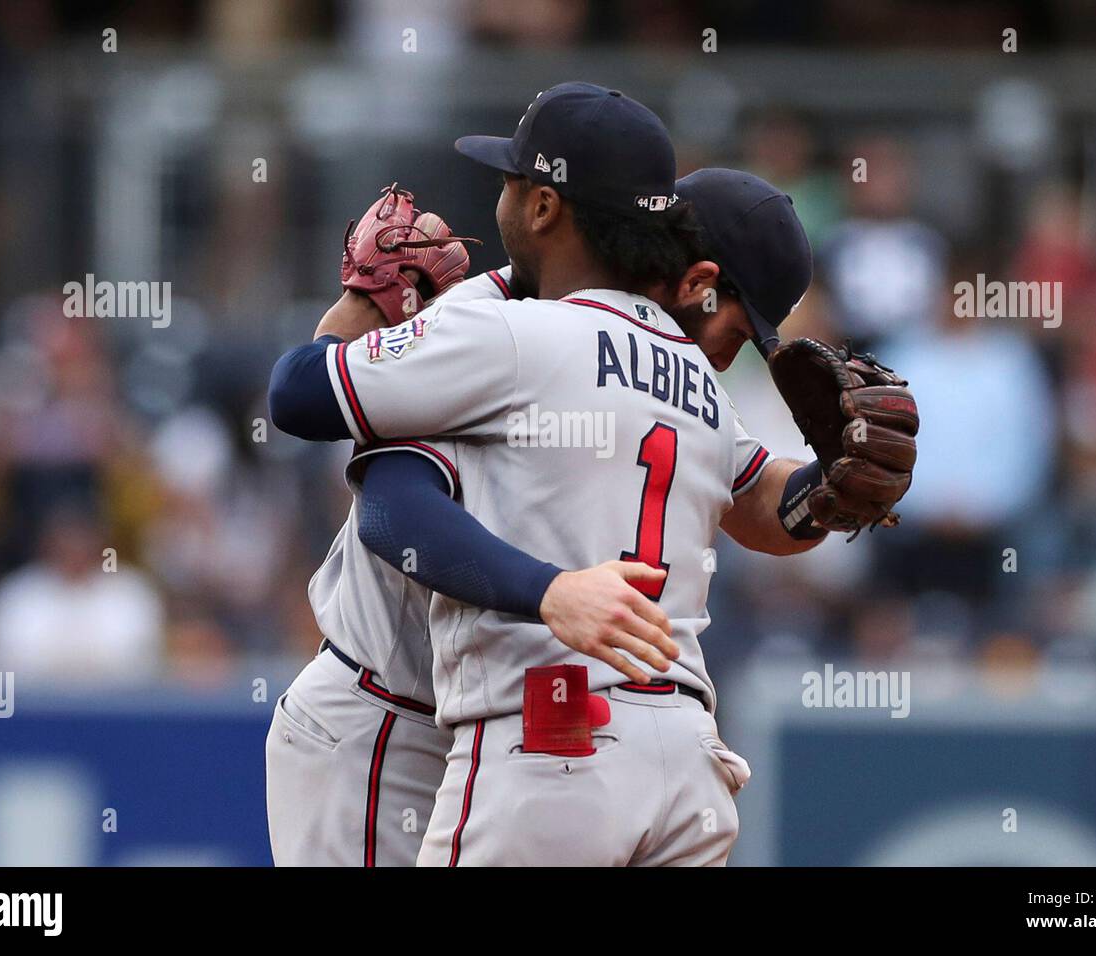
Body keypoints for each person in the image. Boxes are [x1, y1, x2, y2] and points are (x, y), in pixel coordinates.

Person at [266, 84, 829, 866]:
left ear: (543, 207)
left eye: (508, 179)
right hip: (387, 714)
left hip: (530, 724)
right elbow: (391, 508)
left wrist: (832, 492)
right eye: (740, 315)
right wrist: (549, 590)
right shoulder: (511, 325)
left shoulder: (634, 360)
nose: (740, 343)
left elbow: (767, 497)